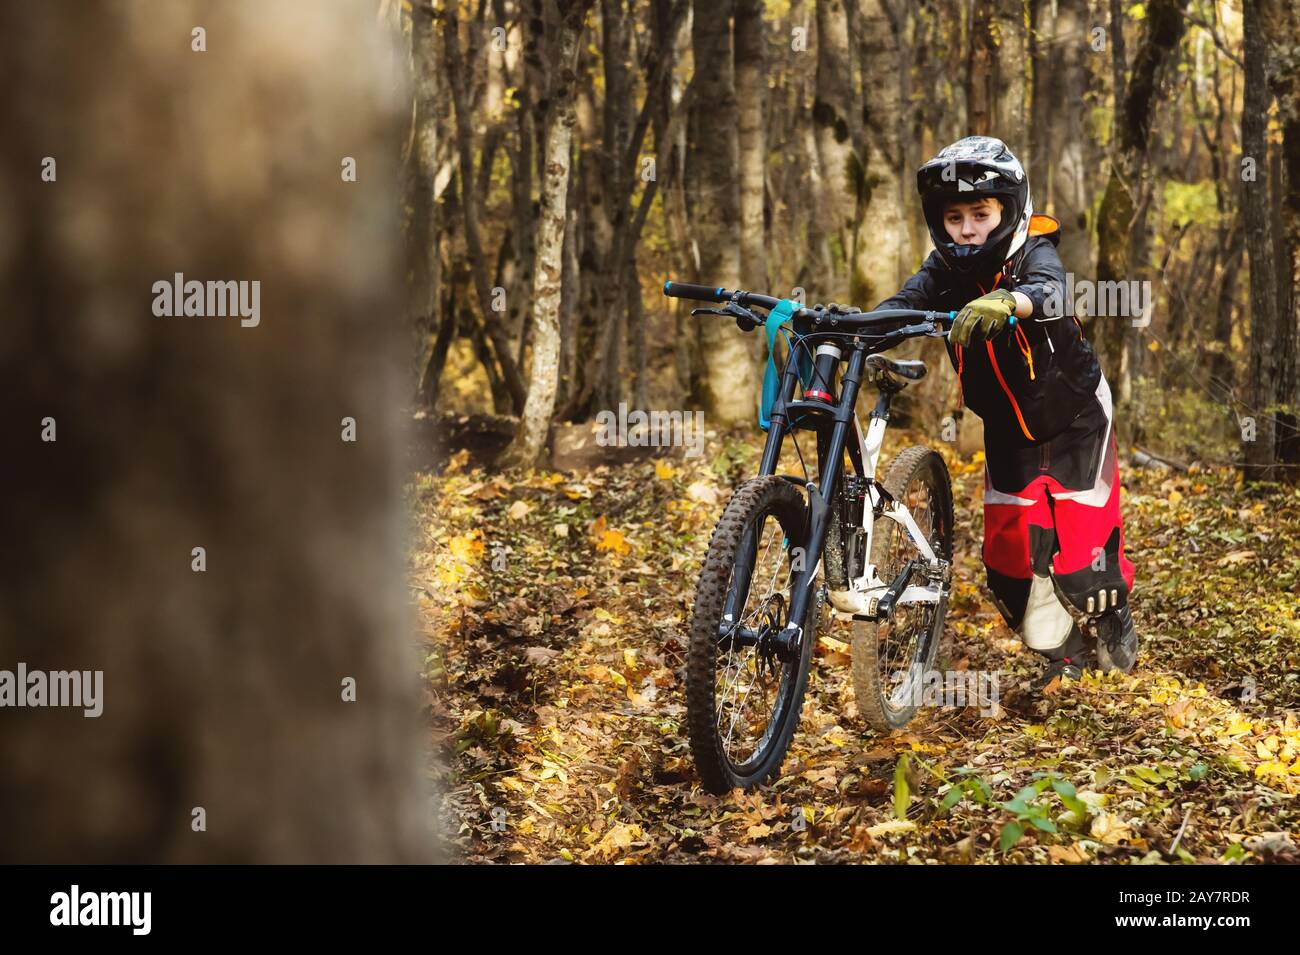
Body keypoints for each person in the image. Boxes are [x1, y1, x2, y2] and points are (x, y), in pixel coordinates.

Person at [870, 135, 1137, 691]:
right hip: (1008, 434)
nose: (967, 229)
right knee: (1013, 576)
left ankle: (1110, 615)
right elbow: (907, 300)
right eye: (954, 216)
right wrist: (864, 329)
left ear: (1008, 212)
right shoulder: (943, 268)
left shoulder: (1032, 253)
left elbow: (1051, 290)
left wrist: (1010, 302)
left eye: (981, 213)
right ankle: (1064, 657)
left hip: (1076, 422)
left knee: (1085, 573)